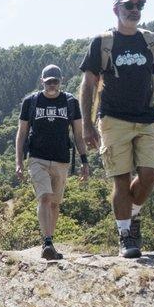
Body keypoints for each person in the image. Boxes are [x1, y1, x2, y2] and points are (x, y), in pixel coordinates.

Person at [78, 0, 154, 258]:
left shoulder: (152, 41)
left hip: (146, 118)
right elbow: (88, 84)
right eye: (129, 6)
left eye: (139, 6)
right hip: (112, 119)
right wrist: (86, 124)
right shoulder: (103, 42)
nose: (134, 10)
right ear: (116, 10)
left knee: (149, 175)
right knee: (121, 181)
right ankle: (126, 236)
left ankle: (131, 215)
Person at [16, 65, 89, 260]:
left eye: (55, 81)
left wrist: (84, 161)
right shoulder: (31, 102)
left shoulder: (70, 102)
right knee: (45, 198)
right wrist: (19, 161)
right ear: (42, 81)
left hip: (61, 160)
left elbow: (78, 135)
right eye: (48, 81)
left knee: (55, 204)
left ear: (61, 80)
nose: (52, 85)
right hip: (37, 158)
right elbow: (21, 133)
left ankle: (50, 241)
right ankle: (47, 242)